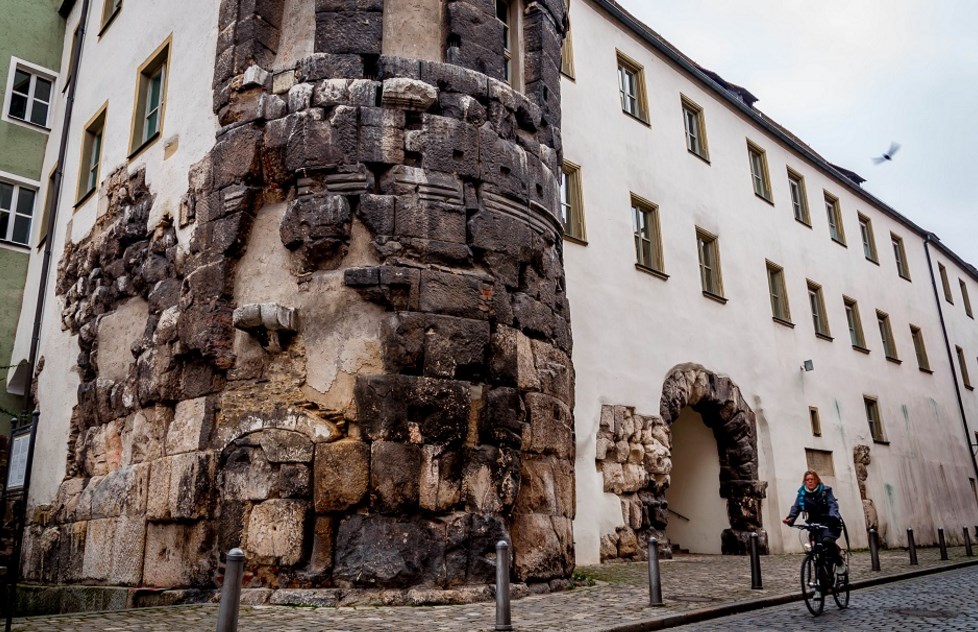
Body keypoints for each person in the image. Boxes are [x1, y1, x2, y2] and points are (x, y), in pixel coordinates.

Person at [782, 470, 846, 574]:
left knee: (827, 541)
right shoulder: (802, 494)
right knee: (816, 550)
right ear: (805, 482)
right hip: (814, 525)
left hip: (829, 523)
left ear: (817, 480)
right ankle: (821, 582)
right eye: (807, 480)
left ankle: (839, 562)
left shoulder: (826, 491)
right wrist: (790, 519)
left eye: (812, 479)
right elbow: (796, 507)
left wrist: (833, 516)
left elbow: (832, 504)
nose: (810, 481)